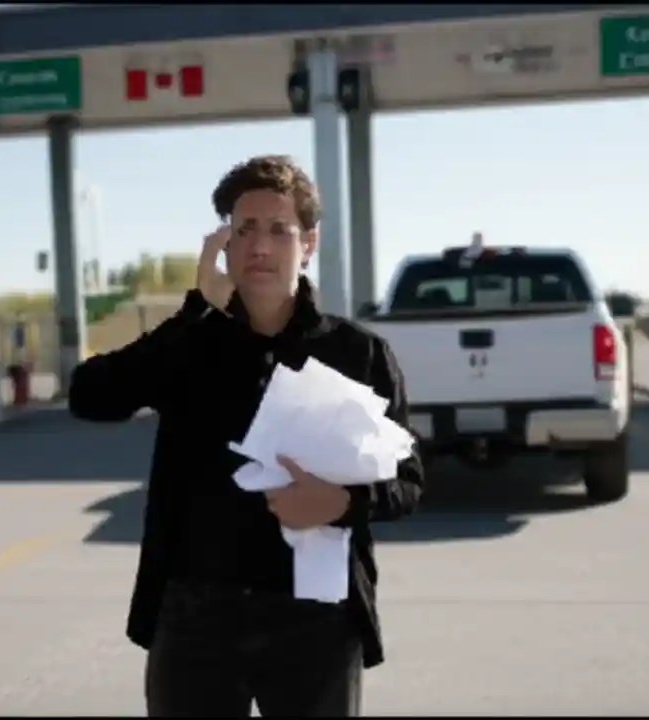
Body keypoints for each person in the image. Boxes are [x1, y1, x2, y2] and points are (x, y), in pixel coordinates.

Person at [67, 154, 425, 717]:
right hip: (194, 620)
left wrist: (341, 502)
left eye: (279, 230)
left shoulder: (357, 353)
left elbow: (408, 483)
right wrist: (194, 313)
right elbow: (90, 396)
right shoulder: (189, 343)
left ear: (308, 243)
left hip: (317, 622)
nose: (260, 246)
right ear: (223, 244)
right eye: (244, 230)